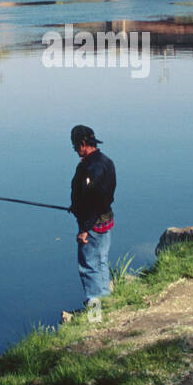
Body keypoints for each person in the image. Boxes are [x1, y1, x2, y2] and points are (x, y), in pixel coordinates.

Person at [68, 124, 116, 309]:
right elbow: (105, 197)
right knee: (101, 262)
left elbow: (92, 200)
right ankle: (107, 303)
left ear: (82, 143)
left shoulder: (90, 168)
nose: (74, 150)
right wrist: (76, 206)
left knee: (88, 267)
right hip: (106, 219)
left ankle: (95, 314)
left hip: (92, 225)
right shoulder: (106, 161)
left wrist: (84, 230)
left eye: (75, 146)